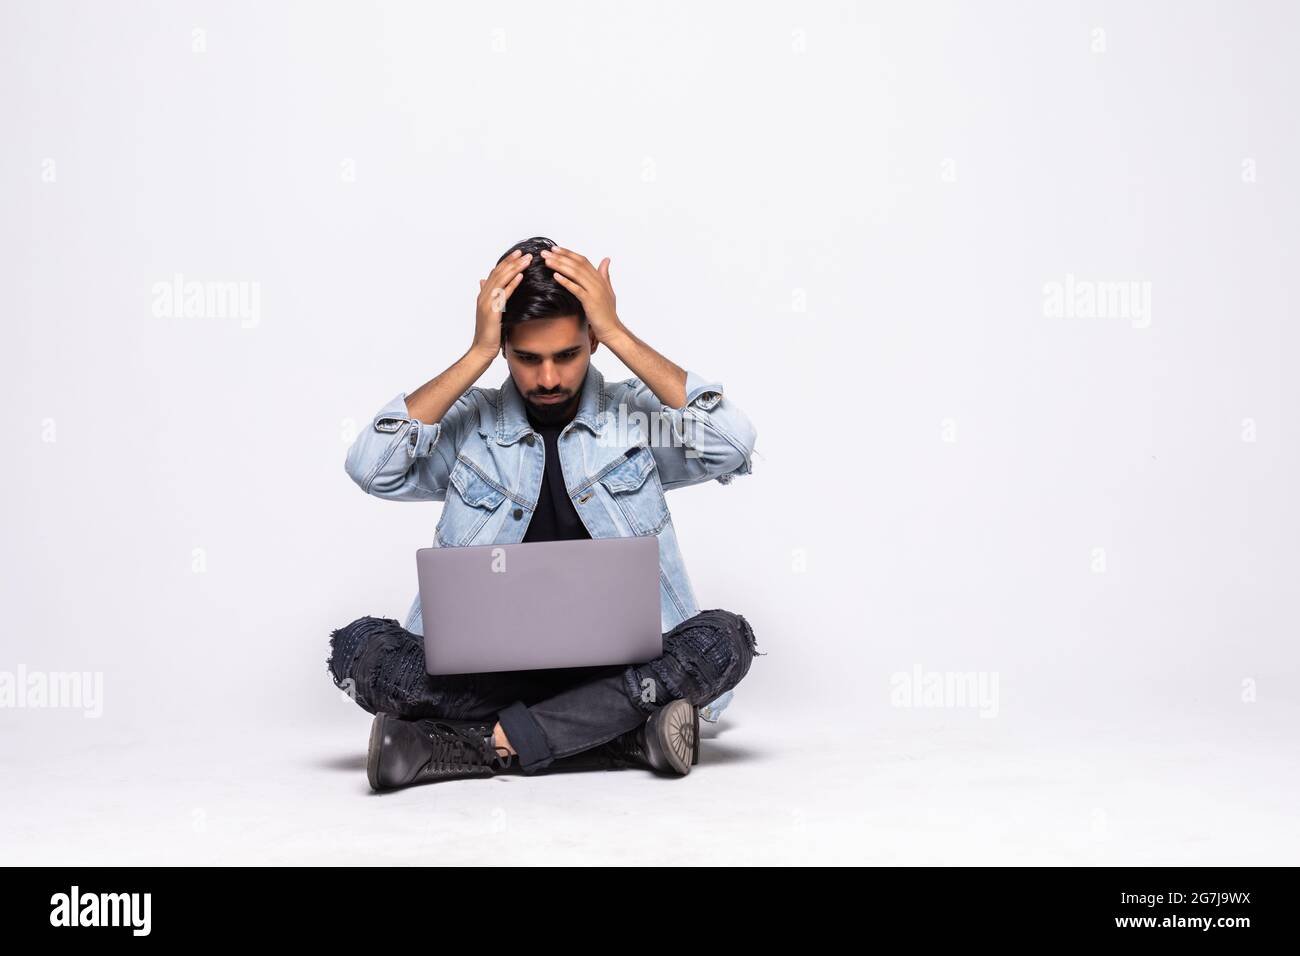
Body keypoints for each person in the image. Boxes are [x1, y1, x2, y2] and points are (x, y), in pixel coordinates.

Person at [328, 236, 762, 791]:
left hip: (618, 674)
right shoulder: (472, 426)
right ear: (506, 348)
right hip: (487, 679)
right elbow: (371, 465)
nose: (549, 378)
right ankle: (624, 738)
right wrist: (476, 353)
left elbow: (732, 442)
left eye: (568, 354)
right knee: (357, 646)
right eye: (528, 358)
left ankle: (473, 744)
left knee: (726, 638)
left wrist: (618, 332)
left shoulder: (632, 418)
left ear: (591, 343)